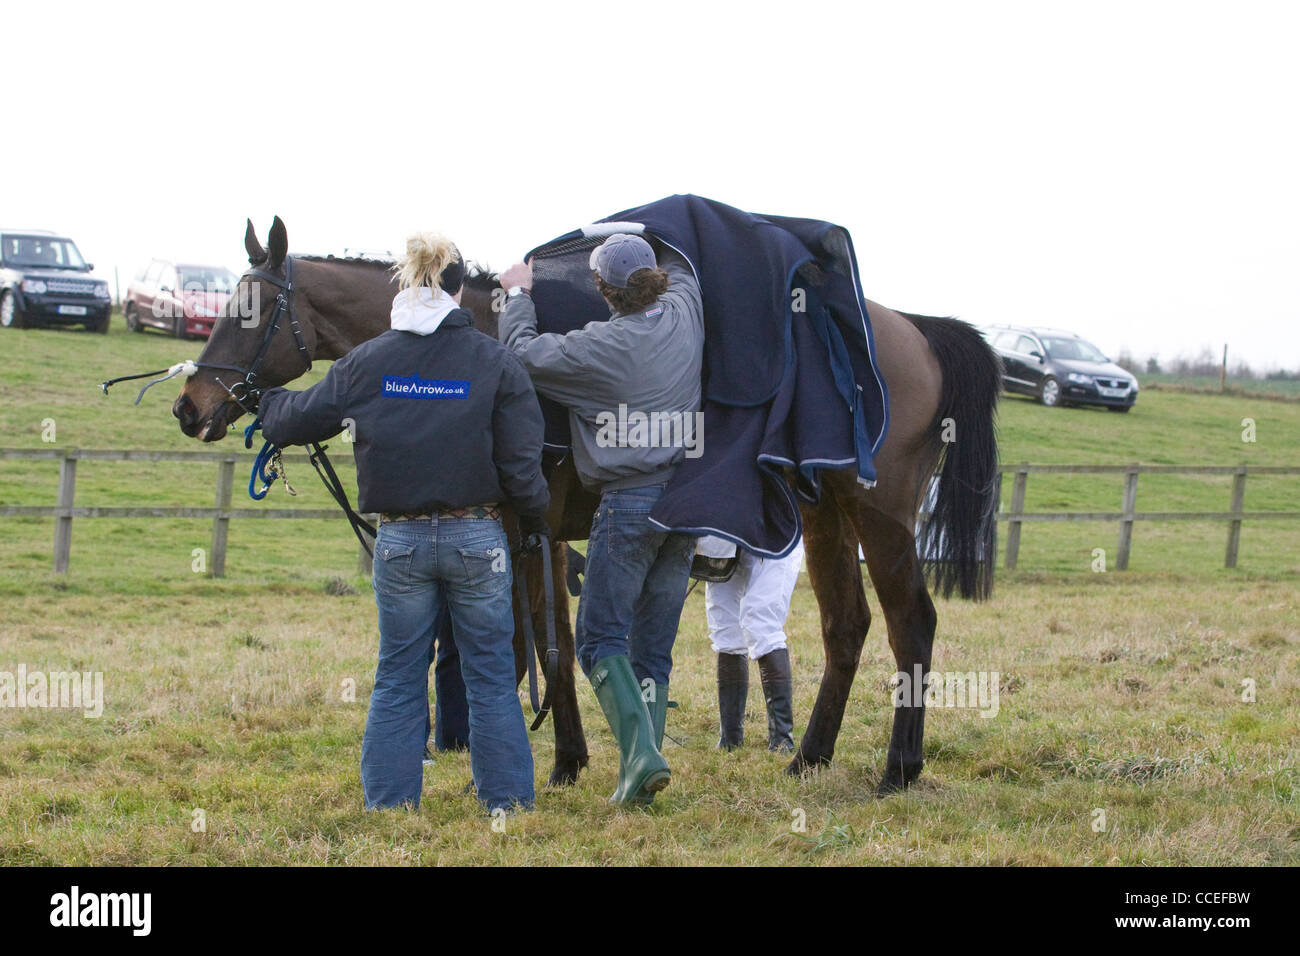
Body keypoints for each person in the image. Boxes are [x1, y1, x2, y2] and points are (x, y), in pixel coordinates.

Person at [258, 233, 550, 812]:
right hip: (477, 539)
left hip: (398, 543)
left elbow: (297, 419)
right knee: (490, 677)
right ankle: (509, 804)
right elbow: (521, 467)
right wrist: (536, 521)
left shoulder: (368, 362)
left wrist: (262, 401)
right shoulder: (495, 362)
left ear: (406, 287)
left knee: (398, 675)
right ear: (459, 290)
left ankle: (391, 806)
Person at [497, 233, 703, 805]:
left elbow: (520, 354)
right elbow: (683, 262)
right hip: (685, 505)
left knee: (597, 639)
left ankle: (642, 758)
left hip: (630, 502)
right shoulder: (688, 310)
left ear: (601, 290)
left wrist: (518, 294)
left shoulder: (592, 350)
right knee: (652, 649)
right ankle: (643, 776)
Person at [697, 535, 804, 752]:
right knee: (725, 627)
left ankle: (781, 740)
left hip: (773, 531)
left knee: (762, 621)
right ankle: (730, 738)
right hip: (725, 538)